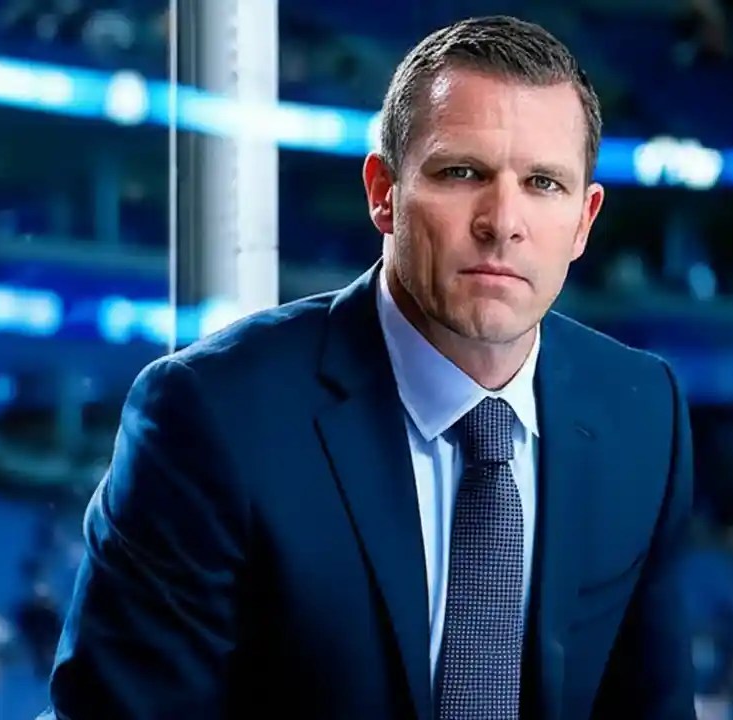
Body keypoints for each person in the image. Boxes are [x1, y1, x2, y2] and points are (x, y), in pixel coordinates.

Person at [46, 14, 696, 720]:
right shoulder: (212, 415)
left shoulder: (643, 410)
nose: (503, 220)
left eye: (543, 184)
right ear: (383, 192)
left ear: (584, 220)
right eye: (462, 172)